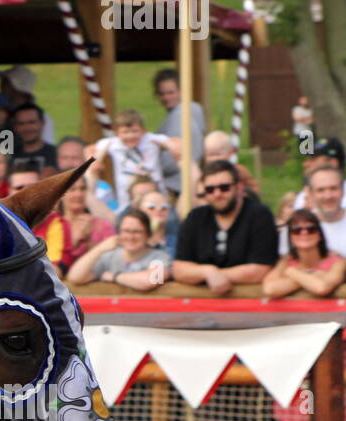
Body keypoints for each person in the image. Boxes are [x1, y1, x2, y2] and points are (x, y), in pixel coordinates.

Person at [172, 161, 278, 295]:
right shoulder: (195, 217)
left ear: (239, 187)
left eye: (224, 188)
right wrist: (208, 272)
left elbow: (260, 269)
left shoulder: (260, 216)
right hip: (201, 308)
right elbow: (179, 269)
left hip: (251, 306)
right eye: (210, 189)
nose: (217, 194)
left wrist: (217, 275)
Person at [66, 208, 172, 292]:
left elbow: (152, 280)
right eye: (126, 231)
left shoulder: (161, 256)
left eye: (137, 231)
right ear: (119, 233)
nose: (130, 236)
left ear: (148, 234)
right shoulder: (108, 256)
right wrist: (100, 248)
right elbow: (75, 277)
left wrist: (115, 277)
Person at [91, 109, 177, 207]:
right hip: (127, 198)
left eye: (135, 131)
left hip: (155, 194)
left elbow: (177, 144)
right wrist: (99, 157)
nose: (130, 136)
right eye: (125, 132)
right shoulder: (112, 144)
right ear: (117, 133)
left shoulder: (151, 140)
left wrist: (169, 146)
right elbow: (91, 154)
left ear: (143, 131)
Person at [262, 209, 346, 299]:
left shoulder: (338, 262)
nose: (304, 233)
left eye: (311, 229)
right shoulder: (286, 263)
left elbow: (321, 288)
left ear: (319, 234)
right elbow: (269, 289)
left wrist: (291, 272)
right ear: (290, 237)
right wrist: (311, 275)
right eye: (297, 230)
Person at [283, 165, 346, 262]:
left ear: (343, 190)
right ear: (310, 194)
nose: (328, 196)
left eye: (333, 188)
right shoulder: (297, 228)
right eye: (321, 190)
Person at [153, 67, 205, 197]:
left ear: (182, 91)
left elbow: (176, 156)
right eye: (162, 93)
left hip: (176, 185)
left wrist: (152, 167)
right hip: (190, 180)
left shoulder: (181, 116)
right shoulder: (192, 112)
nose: (166, 97)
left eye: (170, 92)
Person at [59, 176, 114, 270]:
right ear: (60, 194)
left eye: (82, 188)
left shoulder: (102, 225)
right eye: (72, 189)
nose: (78, 194)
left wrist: (89, 241)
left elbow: (111, 260)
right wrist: (74, 240)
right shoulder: (53, 225)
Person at [0, 65, 54, 143]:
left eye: (5, 84)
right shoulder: (3, 117)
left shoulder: (43, 118)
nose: (1, 87)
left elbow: (45, 149)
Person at [9, 104, 57, 175]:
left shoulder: (56, 154)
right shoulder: (9, 157)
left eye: (31, 122)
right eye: (21, 123)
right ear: (15, 127)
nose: (27, 128)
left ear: (42, 123)